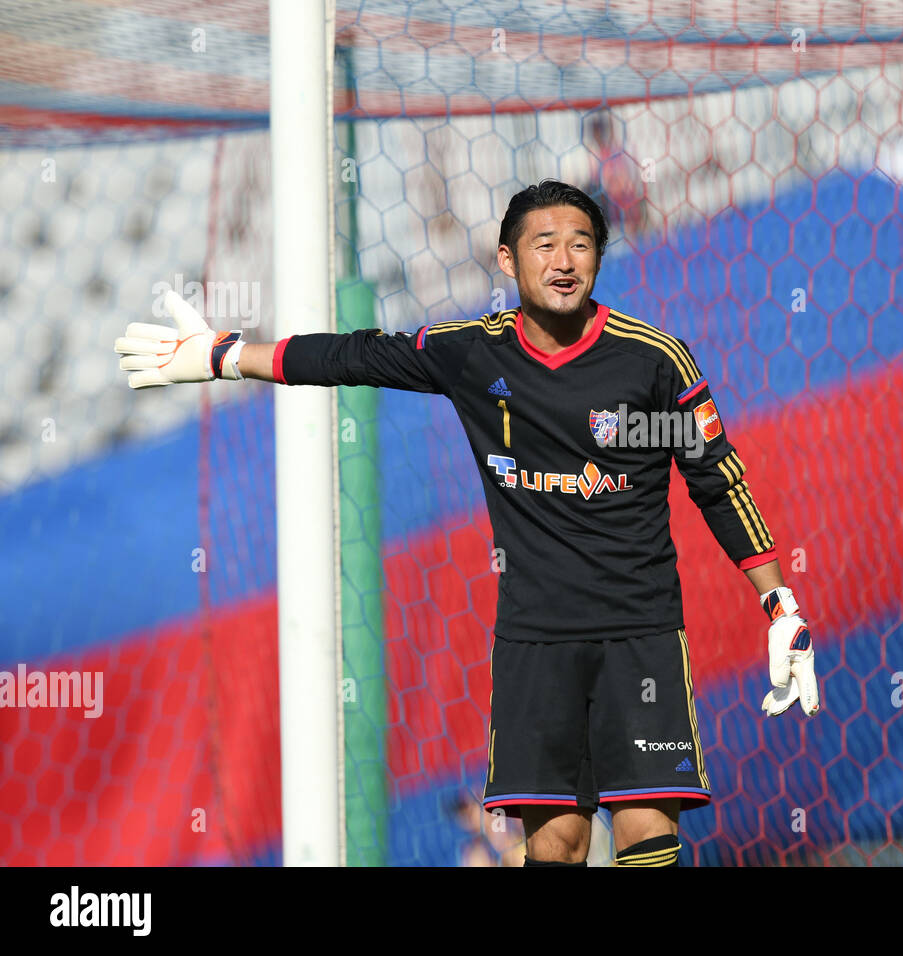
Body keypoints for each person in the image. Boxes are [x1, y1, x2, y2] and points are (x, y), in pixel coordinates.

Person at [114, 179, 819, 867]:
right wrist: (224, 356)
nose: (564, 261)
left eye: (580, 244)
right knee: (556, 844)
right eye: (544, 244)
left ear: (600, 259)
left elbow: (717, 479)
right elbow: (356, 356)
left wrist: (778, 601)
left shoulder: (653, 362)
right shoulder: (473, 352)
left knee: (645, 825)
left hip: (641, 634)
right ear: (508, 260)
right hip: (534, 641)